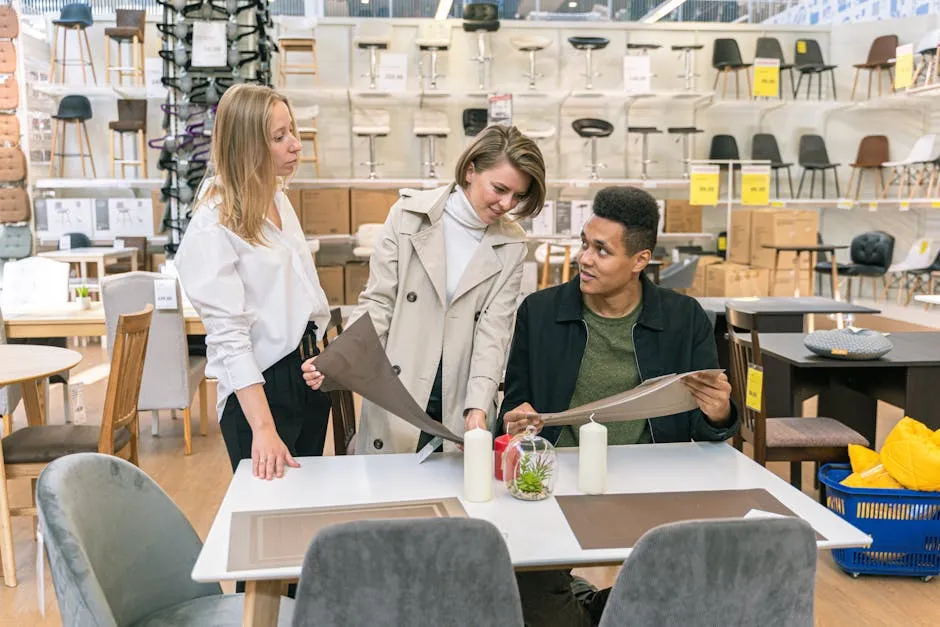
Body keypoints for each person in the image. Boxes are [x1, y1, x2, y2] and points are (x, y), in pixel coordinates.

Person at [499, 185, 739, 627]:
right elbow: (513, 405)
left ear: (640, 261)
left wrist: (719, 412)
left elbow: (710, 432)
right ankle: (586, 607)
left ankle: (590, 605)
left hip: (651, 479)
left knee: (691, 580)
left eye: (601, 251)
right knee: (525, 582)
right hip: (558, 479)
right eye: (584, 244)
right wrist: (517, 417)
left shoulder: (684, 319)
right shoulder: (540, 313)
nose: (584, 259)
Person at [302, 125, 546, 454]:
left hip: (460, 395)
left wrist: (478, 406)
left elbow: (494, 330)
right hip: (397, 390)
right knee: (391, 497)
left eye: (517, 196)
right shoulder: (408, 216)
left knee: (460, 498)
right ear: (471, 170)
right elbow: (379, 303)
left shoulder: (512, 243)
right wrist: (340, 358)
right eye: (499, 188)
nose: (506, 203)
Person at [175, 84, 332, 481]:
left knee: (305, 504)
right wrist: (263, 428)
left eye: (291, 131)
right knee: (269, 518)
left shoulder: (277, 198)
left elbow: (302, 297)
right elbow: (229, 338)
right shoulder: (213, 225)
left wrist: (318, 354)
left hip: (305, 375)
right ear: (247, 147)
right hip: (260, 394)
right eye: (279, 138)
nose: (295, 145)